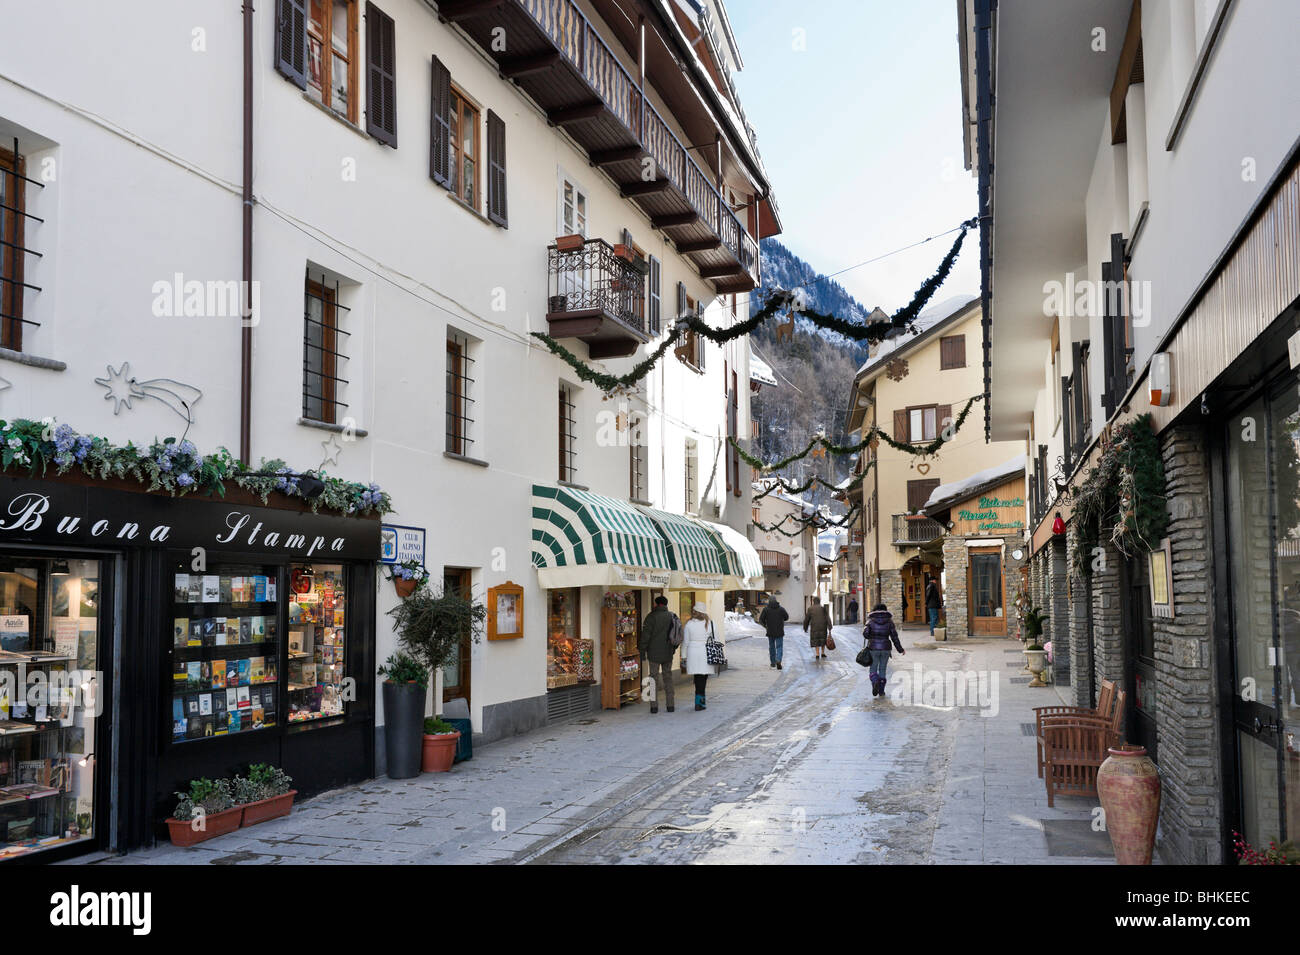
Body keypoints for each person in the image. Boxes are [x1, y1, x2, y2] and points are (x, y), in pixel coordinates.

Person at [640, 595, 677, 714]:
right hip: (668, 652)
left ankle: (654, 707)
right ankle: (670, 705)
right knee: (668, 678)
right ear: (666, 604)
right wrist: (673, 648)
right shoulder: (672, 616)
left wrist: (642, 650)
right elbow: (677, 634)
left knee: (653, 679)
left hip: (653, 654)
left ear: (656, 604)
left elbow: (645, 636)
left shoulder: (651, 617)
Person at [682, 601, 720, 710]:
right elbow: (716, 639)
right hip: (705, 652)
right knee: (703, 677)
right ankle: (700, 702)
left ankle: (699, 701)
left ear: (695, 611)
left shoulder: (689, 624)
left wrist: (683, 656)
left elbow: (686, 642)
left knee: (697, 677)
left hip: (693, 652)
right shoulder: (710, 624)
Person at [863, 602, 905, 697]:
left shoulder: (870, 621)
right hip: (886, 648)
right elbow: (894, 637)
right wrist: (900, 649)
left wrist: (871, 635)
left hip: (873, 648)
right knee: (882, 669)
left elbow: (865, 634)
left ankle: (875, 682)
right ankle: (881, 691)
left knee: (873, 668)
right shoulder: (889, 621)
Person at [758, 596, 789, 670]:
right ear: (776, 601)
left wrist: (765, 626)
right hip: (779, 631)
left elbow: (761, 620)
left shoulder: (766, 609)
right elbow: (786, 617)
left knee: (772, 647)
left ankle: (772, 663)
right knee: (779, 647)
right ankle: (778, 660)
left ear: (769, 601)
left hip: (770, 631)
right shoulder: (781, 609)